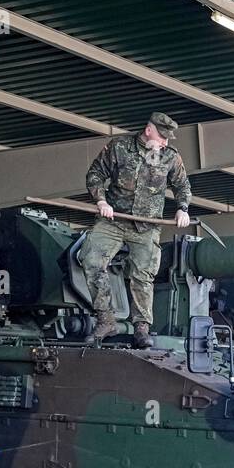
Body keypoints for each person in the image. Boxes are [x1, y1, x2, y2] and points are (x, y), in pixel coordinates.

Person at [80, 112, 192, 348]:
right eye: (162, 136)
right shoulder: (119, 146)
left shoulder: (171, 157)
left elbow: (183, 186)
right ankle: (105, 319)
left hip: (146, 227)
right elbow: (95, 174)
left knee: (143, 276)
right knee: (91, 260)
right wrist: (101, 201)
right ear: (148, 129)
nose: (165, 142)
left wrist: (183, 209)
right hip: (113, 221)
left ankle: (141, 328)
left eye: (168, 138)